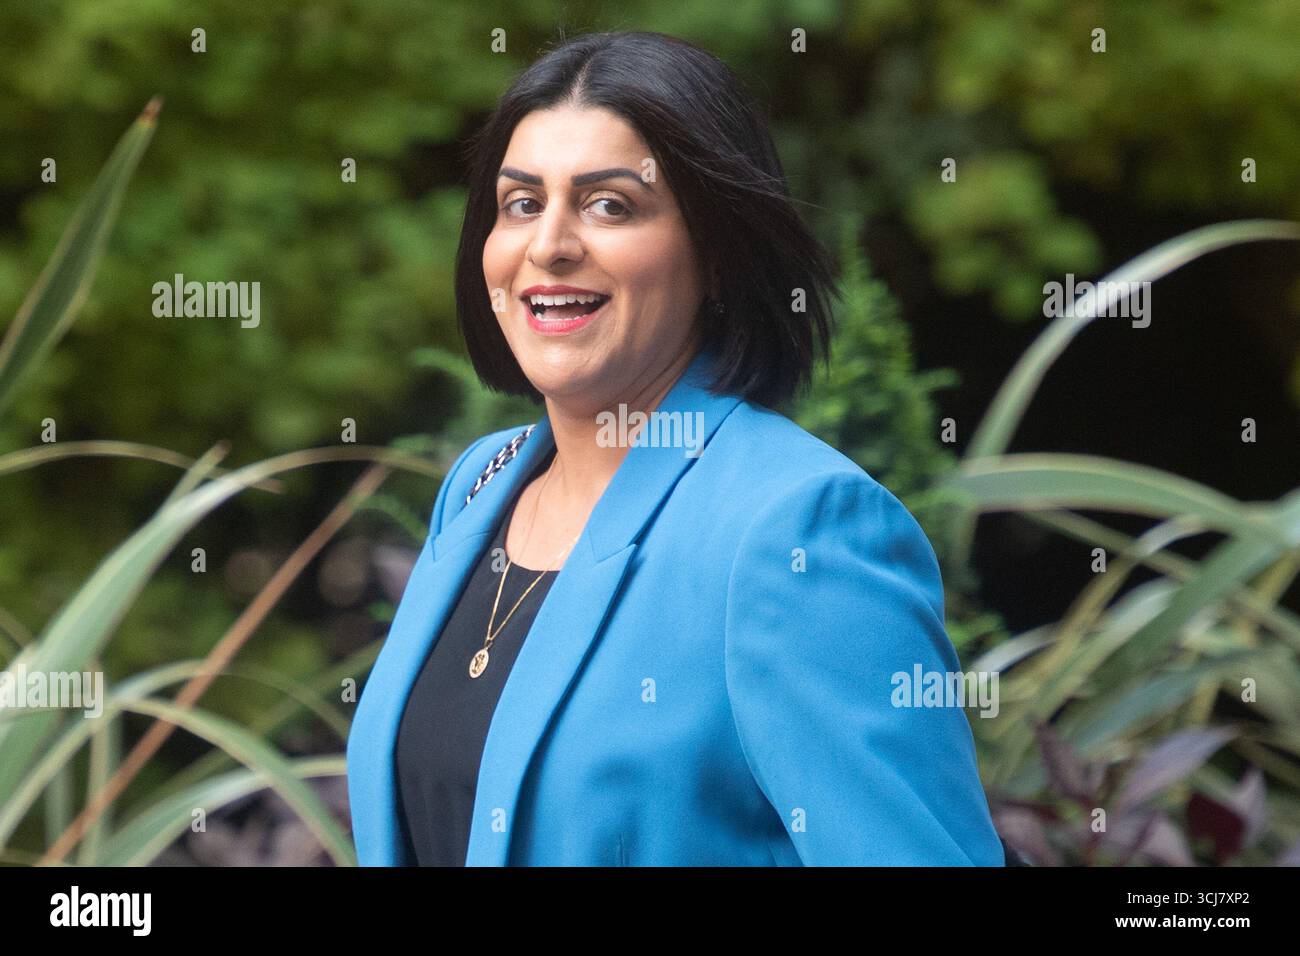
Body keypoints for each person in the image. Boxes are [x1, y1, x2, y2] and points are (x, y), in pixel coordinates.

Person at [346, 30, 1006, 866]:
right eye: (521, 203)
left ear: (720, 255)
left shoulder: (796, 530)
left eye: (610, 204)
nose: (548, 245)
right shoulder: (481, 484)